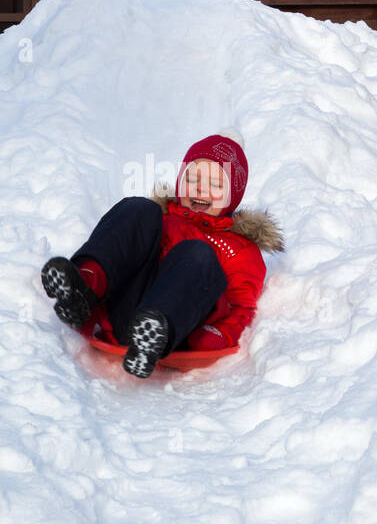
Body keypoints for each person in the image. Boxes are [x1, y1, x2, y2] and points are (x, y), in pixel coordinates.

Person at [41, 130, 284, 377]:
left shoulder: (240, 248)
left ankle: (154, 330)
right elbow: (121, 250)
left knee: (198, 253)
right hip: (124, 313)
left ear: (234, 195)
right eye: (192, 179)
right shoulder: (160, 219)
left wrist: (212, 337)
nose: (201, 190)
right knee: (138, 208)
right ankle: (85, 290)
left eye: (216, 184)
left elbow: (241, 307)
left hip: (178, 327)